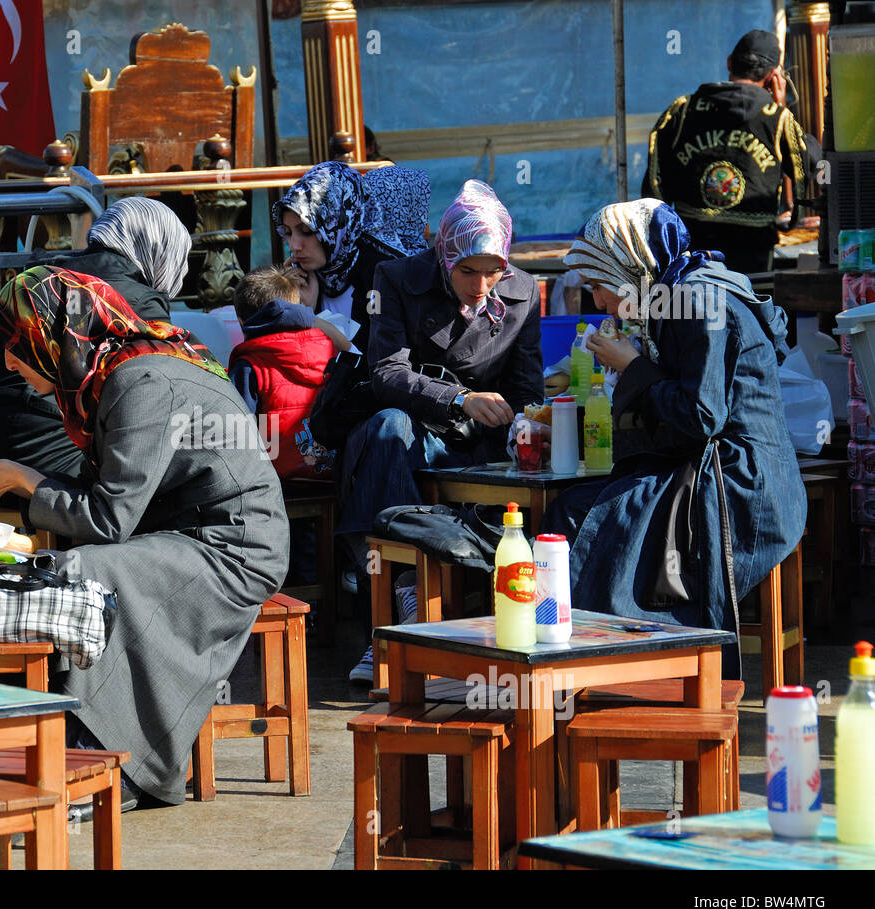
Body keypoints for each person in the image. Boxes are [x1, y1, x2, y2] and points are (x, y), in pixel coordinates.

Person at [0, 266, 290, 808]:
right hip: (185, 534)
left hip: (232, 548)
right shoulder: (118, 370)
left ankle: (112, 759)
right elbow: (110, 496)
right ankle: (55, 735)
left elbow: (109, 520)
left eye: (16, 345)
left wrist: (25, 479)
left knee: (85, 571)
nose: (9, 362)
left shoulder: (139, 380)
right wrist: (15, 474)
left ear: (55, 334)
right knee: (67, 569)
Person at [543, 199, 806, 678]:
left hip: (740, 484)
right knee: (578, 503)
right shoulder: (681, 293)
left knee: (578, 516)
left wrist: (633, 367)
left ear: (630, 267)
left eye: (602, 286)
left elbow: (701, 416)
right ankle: (581, 660)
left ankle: (602, 666)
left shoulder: (696, 300)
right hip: (716, 467)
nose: (599, 302)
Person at [342, 179, 543, 682]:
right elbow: (385, 372)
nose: (480, 286)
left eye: (493, 271)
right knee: (389, 431)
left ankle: (517, 619)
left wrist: (520, 418)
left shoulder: (522, 292)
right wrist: (458, 398)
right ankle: (395, 613)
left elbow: (526, 386)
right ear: (445, 256)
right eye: (467, 271)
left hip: (484, 437)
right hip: (416, 425)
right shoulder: (394, 279)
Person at [0, 197, 194, 489]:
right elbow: (153, 390)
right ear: (162, 252)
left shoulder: (49, 274)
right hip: (36, 453)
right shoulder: (142, 303)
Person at [643, 29, 820, 275]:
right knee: (749, 312)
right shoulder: (776, 120)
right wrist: (780, 109)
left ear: (729, 62)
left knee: (697, 311)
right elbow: (811, 164)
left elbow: (653, 186)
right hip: (752, 259)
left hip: (694, 256)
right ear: (772, 76)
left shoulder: (682, 111)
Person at [271, 161, 417, 351]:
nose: (294, 246)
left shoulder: (383, 273)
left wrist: (310, 320)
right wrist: (295, 302)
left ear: (338, 223)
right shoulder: (300, 279)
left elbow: (383, 360)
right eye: (288, 233)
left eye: (307, 230)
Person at [228, 264, 349, 481]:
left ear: (241, 323)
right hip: (334, 472)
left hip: (274, 481)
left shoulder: (249, 365)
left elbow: (237, 436)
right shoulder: (329, 350)